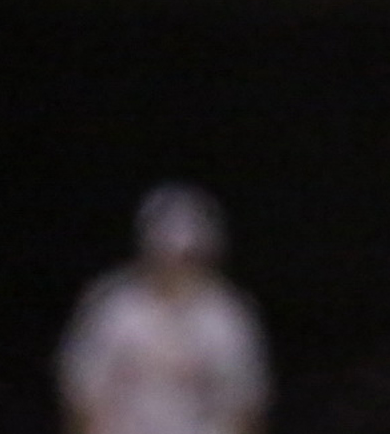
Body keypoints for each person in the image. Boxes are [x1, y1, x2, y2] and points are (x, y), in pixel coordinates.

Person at [56, 183, 271, 434]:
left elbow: (246, 407)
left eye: (189, 256)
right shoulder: (113, 307)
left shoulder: (228, 316)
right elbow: (81, 398)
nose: (177, 268)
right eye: (167, 255)